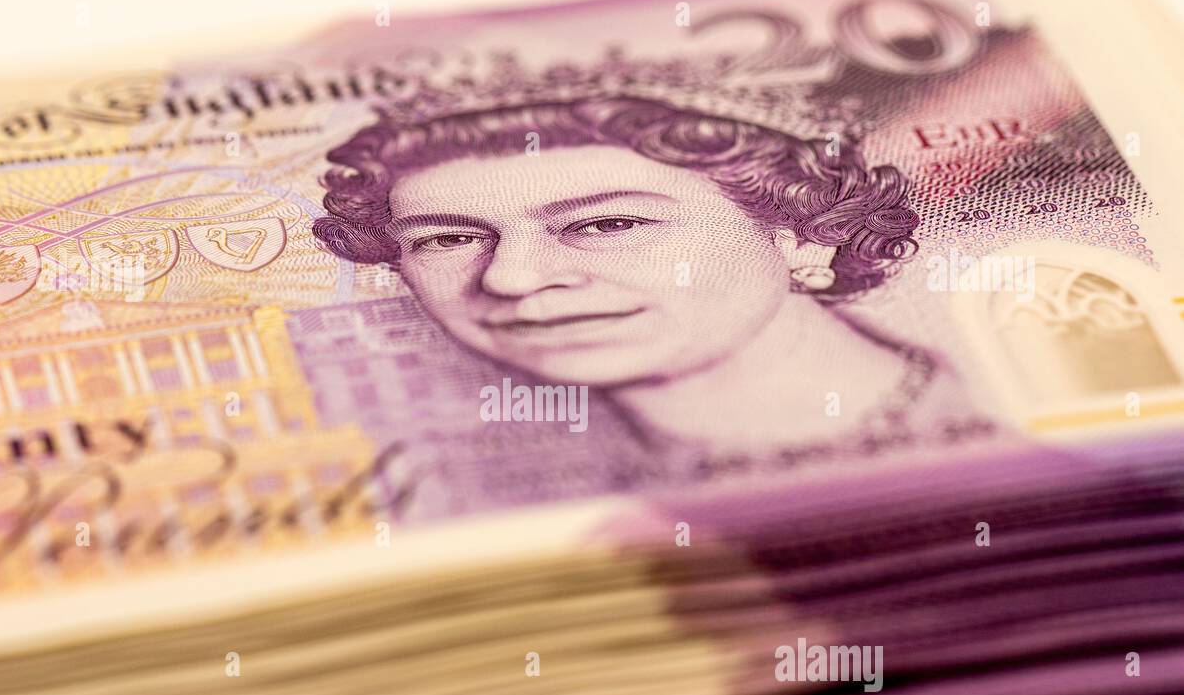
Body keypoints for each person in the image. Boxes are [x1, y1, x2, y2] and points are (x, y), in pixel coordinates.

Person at [313, 95, 954, 462]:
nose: (510, 279)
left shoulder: (992, 402)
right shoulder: (465, 480)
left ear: (805, 235)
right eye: (448, 238)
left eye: (607, 224)